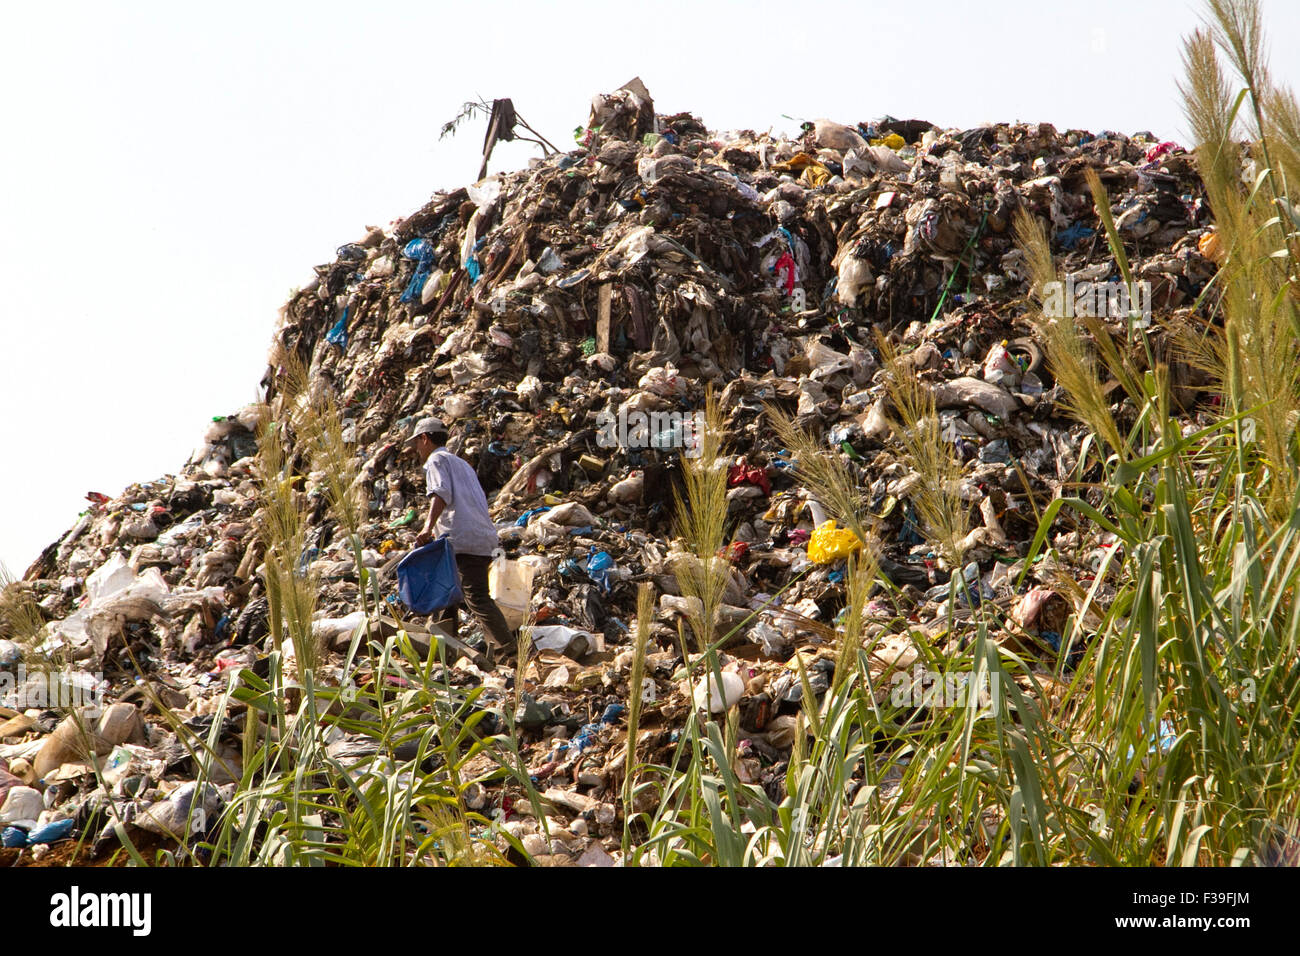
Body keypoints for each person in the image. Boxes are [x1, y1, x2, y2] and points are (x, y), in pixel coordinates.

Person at [407, 417, 513, 666]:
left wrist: (427, 527)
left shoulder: (436, 460)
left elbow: (441, 493)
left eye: (417, 443)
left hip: (463, 538)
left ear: (425, 438)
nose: (416, 450)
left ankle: (510, 652)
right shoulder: (461, 463)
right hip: (481, 536)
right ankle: (445, 648)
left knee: (476, 596)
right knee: (448, 591)